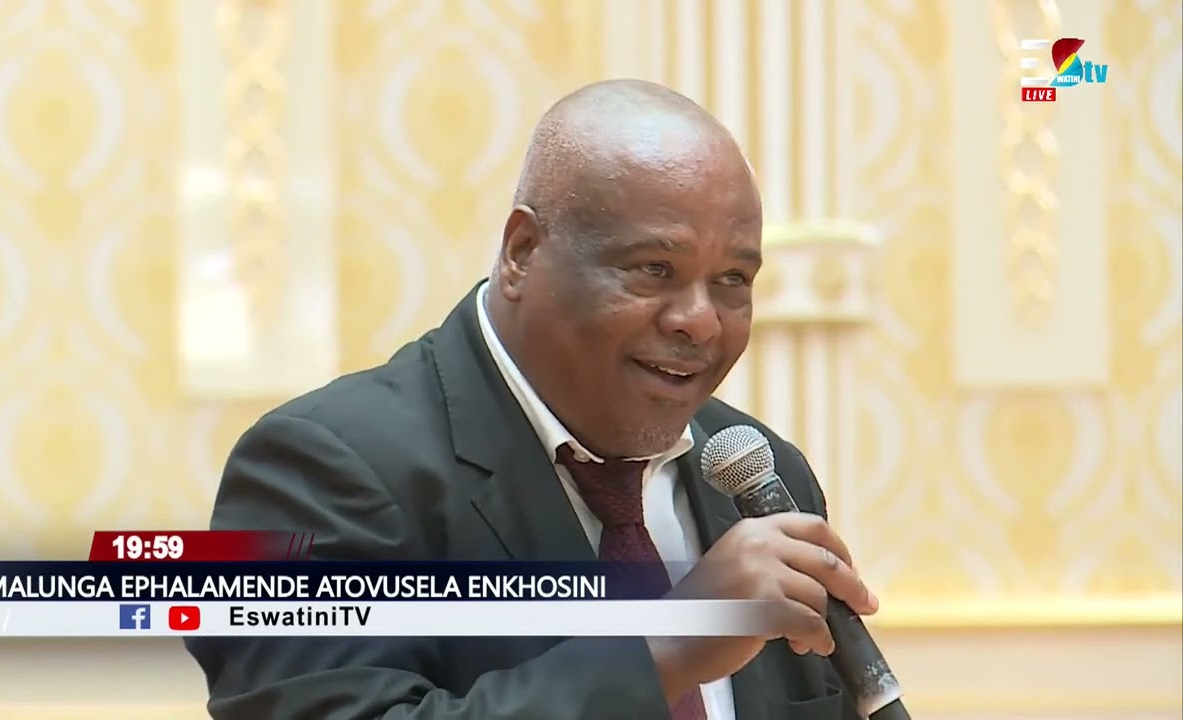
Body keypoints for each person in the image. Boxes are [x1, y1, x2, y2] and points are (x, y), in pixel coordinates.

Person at [185, 78, 877, 720]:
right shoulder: (317, 469)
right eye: (654, 269)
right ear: (522, 252)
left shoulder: (759, 476)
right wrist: (667, 646)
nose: (699, 319)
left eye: (732, 279)